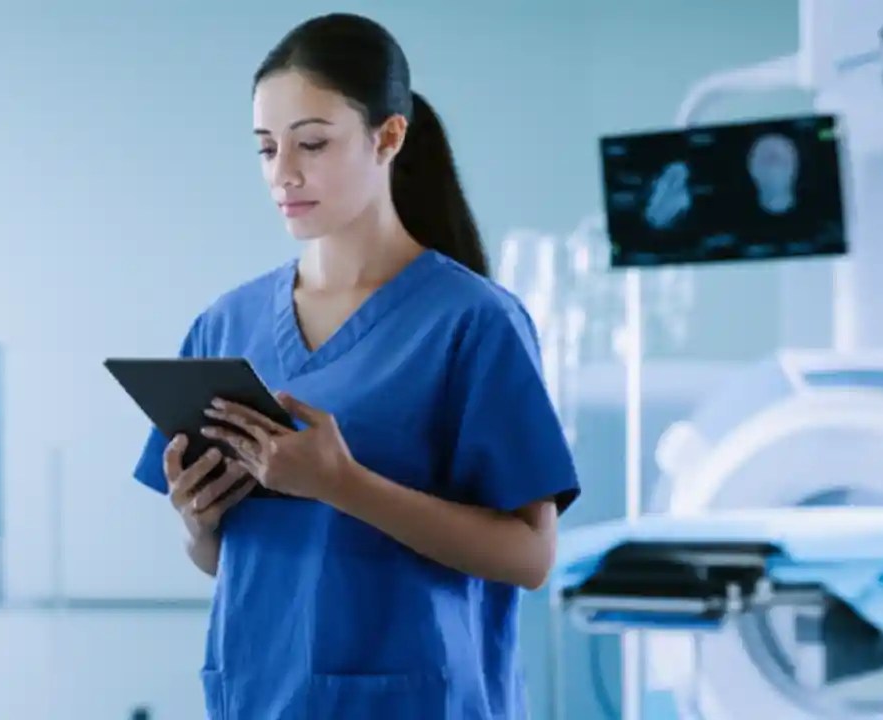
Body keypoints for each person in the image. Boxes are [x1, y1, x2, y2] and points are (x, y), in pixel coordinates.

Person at [131, 12, 580, 720]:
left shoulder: (470, 323)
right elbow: (233, 563)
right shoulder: (226, 324)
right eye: (265, 148)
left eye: (311, 143)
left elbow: (530, 556)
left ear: (388, 136)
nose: (284, 174)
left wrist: (343, 485)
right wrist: (199, 524)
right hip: (257, 696)